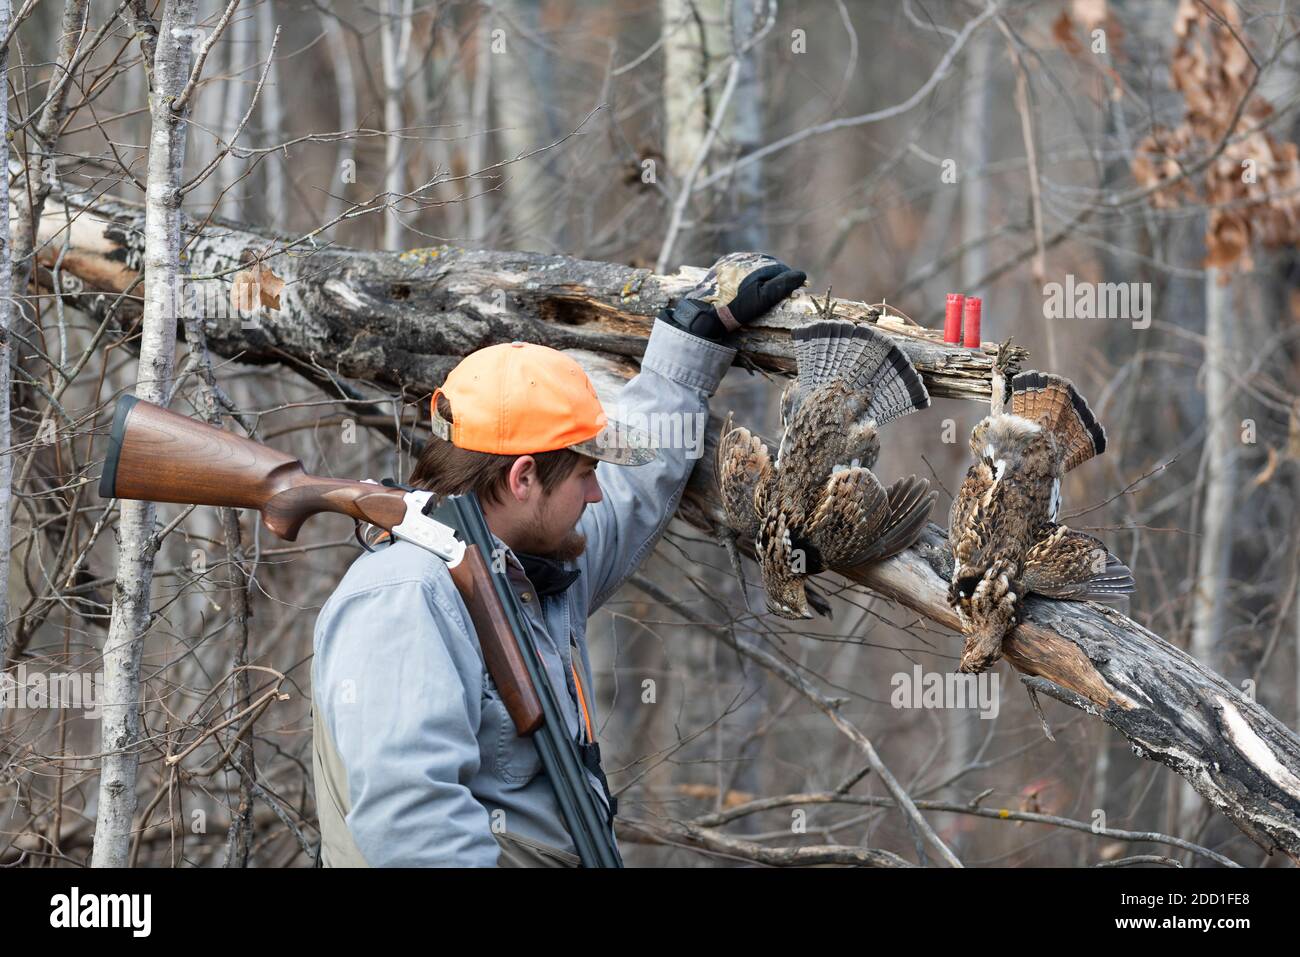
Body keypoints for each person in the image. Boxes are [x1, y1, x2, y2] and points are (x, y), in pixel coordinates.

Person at [310, 256, 806, 866]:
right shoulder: (405, 595)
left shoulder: (525, 568)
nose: (597, 494)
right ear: (523, 478)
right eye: (585, 473)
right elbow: (412, 825)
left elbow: (633, 494)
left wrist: (687, 350)